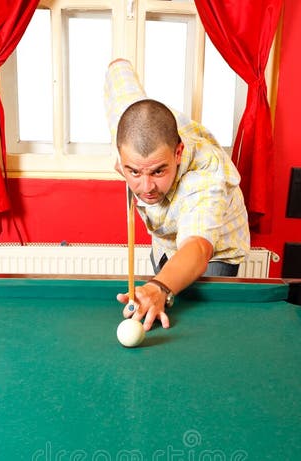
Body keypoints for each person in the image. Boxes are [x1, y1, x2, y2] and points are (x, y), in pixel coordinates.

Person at [104, 58, 250, 330]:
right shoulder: (127, 118)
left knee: (199, 331)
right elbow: (119, 77)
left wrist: (160, 285)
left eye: (158, 171)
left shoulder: (205, 176)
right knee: (158, 302)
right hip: (164, 238)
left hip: (214, 255)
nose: (146, 188)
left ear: (178, 153)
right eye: (134, 172)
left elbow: (198, 246)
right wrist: (119, 61)